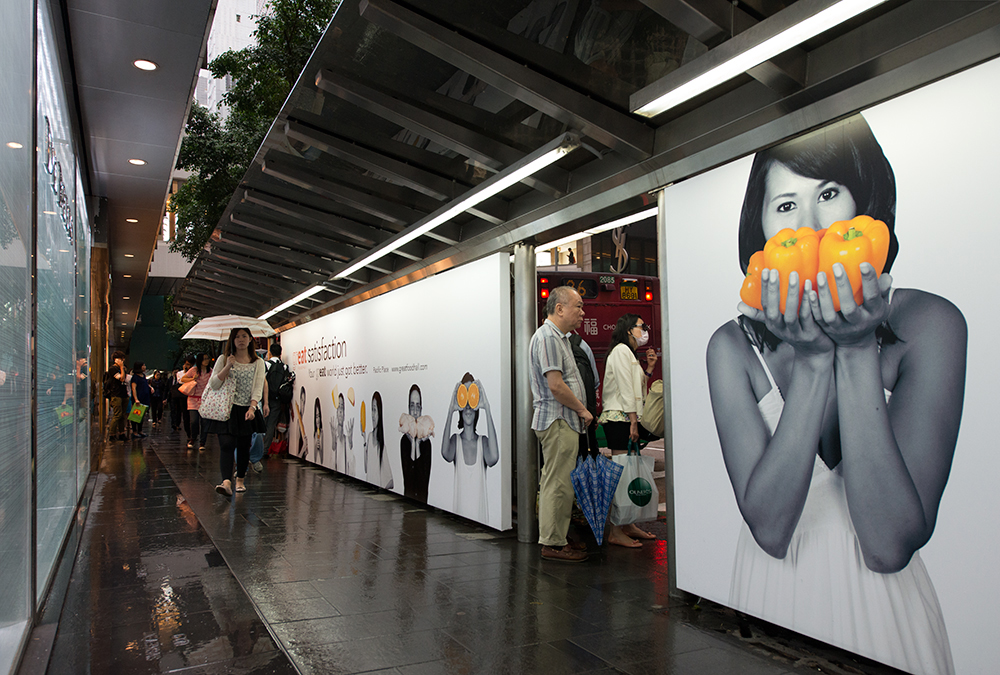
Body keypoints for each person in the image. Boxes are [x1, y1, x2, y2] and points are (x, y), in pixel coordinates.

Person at [706, 115, 964, 675]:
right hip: (768, 609)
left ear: (863, 203)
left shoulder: (932, 324)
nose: (812, 225)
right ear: (763, 232)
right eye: (786, 206)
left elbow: (889, 544)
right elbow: (771, 529)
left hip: (886, 627)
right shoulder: (731, 347)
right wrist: (817, 361)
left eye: (827, 193)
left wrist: (853, 350)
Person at [529, 285, 593, 563]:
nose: (582, 312)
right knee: (558, 482)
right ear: (559, 309)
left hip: (562, 420)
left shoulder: (559, 338)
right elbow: (556, 385)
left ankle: (558, 536)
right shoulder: (548, 338)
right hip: (558, 419)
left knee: (558, 481)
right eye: (577, 306)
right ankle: (553, 544)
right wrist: (582, 409)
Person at [598, 314, 659, 547]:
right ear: (628, 330)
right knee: (622, 475)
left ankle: (628, 523)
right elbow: (625, 388)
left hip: (626, 417)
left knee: (628, 472)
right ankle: (615, 529)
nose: (644, 330)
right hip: (619, 418)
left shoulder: (628, 352)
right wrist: (633, 421)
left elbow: (635, 385)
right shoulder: (622, 351)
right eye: (641, 327)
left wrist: (650, 368)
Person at [207, 328, 267, 496]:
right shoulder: (224, 359)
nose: (241, 339)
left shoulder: (258, 362)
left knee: (243, 446)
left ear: (250, 340)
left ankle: (240, 479)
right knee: (226, 444)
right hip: (227, 408)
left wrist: (253, 407)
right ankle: (226, 481)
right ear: (232, 340)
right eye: (237, 337)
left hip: (247, 409)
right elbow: (214, 384)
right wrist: (227, 366)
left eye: (244, 336)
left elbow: (258, 386)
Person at [441, 373, 499, 522]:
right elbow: (445, 453)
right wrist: (450, 410)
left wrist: (487, 407)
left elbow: (494, 458)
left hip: (481, 524)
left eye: (471, 399)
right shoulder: (455, 441)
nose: (467, 407)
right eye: (464, 400)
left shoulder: (483, 442)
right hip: (459, 523)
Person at [258, 343, 290, 472]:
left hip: (264, 399)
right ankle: (265, 450)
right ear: (280, 353)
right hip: (277, 400)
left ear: (270, 353)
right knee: (271, 424)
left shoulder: (266, 365)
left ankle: (257, 450)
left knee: (260, 424)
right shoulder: (285, 366)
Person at [399, 384, 432, 503]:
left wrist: (417, 445)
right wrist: (413, 444)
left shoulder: (426, 443)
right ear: (408, 408)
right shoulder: (404, 441)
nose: (415, 411)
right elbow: (408, 481)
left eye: (418, 406)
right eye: (412, 406)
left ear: (421, 409)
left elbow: (423, 483)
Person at [181, 353, 212, 450]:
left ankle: (203, 442)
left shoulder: (210, 371)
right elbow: (183, 379)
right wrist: (192, 378)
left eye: (207, 358)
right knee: (194, 421)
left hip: (205, 399)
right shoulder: (194, 370)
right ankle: (193, 438)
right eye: (204, 359)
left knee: (204, 422)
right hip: (193, 398)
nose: (207, 360)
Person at [364, 391, 392, 489]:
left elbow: (390, 481)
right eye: (372, 410)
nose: (372, 415)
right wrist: (364, 442)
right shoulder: (369, 437)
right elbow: (366, 468)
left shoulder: (382, 446)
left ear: (380, 413)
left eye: (375, 410)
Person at [104, 351, 128, 441]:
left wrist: (122, 368)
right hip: (116, 394)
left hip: (123, 394)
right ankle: (112, 434)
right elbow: (121, 378)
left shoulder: (123, 369)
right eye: (121, 359)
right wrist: (121, 368)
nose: (122, 361)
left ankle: (122, 433)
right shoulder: (112, 369)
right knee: (117, 415)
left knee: (122, 415)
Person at [170, 358, 193, 432]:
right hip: (183, 395)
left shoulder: (196, 372)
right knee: (183, 413)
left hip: (193, 394)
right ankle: (187, 431)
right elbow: (181, 381)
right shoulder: (180, 373)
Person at [129, 362, 151, 438]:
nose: (144, 367)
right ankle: (134, 431)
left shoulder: (143, 376)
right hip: (139, 398)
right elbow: (133, 388)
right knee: (136, 415)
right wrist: (136, 399)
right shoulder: (135, 377)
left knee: (142, 415)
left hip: (145, 397)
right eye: (143, 365)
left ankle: (140, 430)